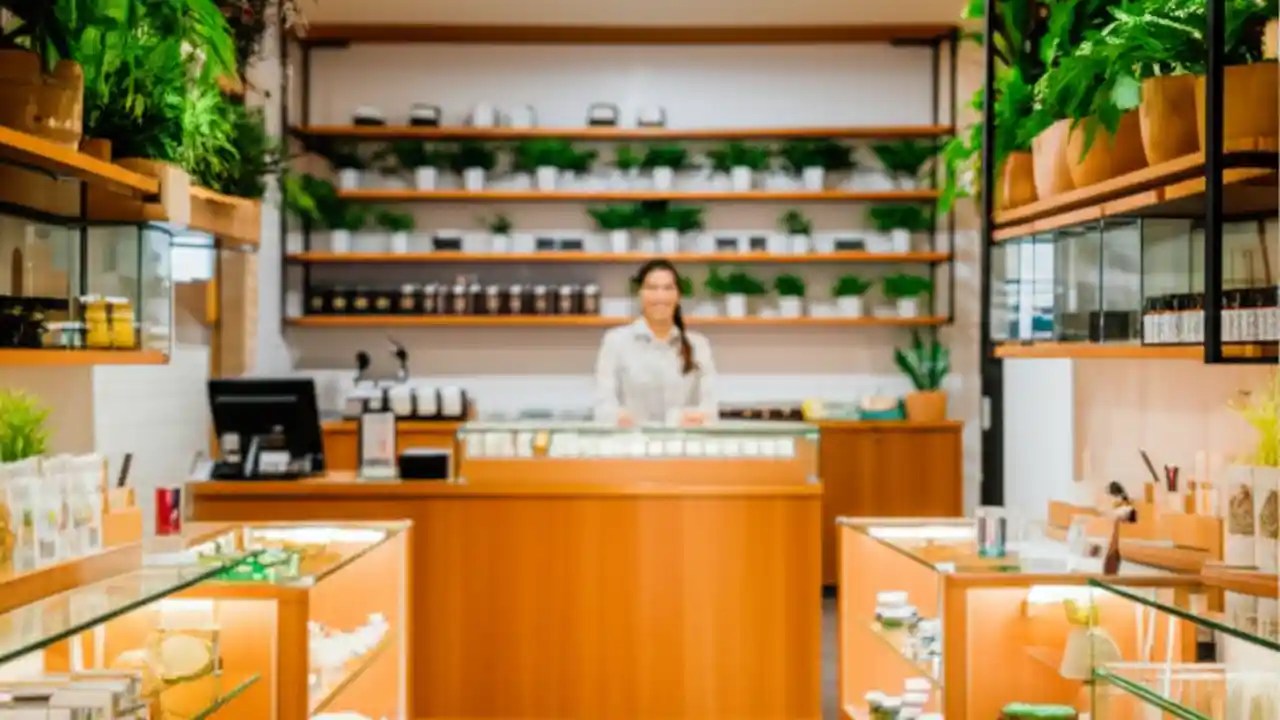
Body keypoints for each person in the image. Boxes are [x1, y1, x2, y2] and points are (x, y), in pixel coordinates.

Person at [593, 259, 718, 426]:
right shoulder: (615, 341)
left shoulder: (698, 345)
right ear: (640, 293)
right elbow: (603, 404)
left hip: (683, 446)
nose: (660, 296)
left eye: (667, 288)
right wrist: (617, 416)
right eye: (652, 288)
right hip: (630, 446)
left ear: (678, 295)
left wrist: (698, 417)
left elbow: (710, 407)